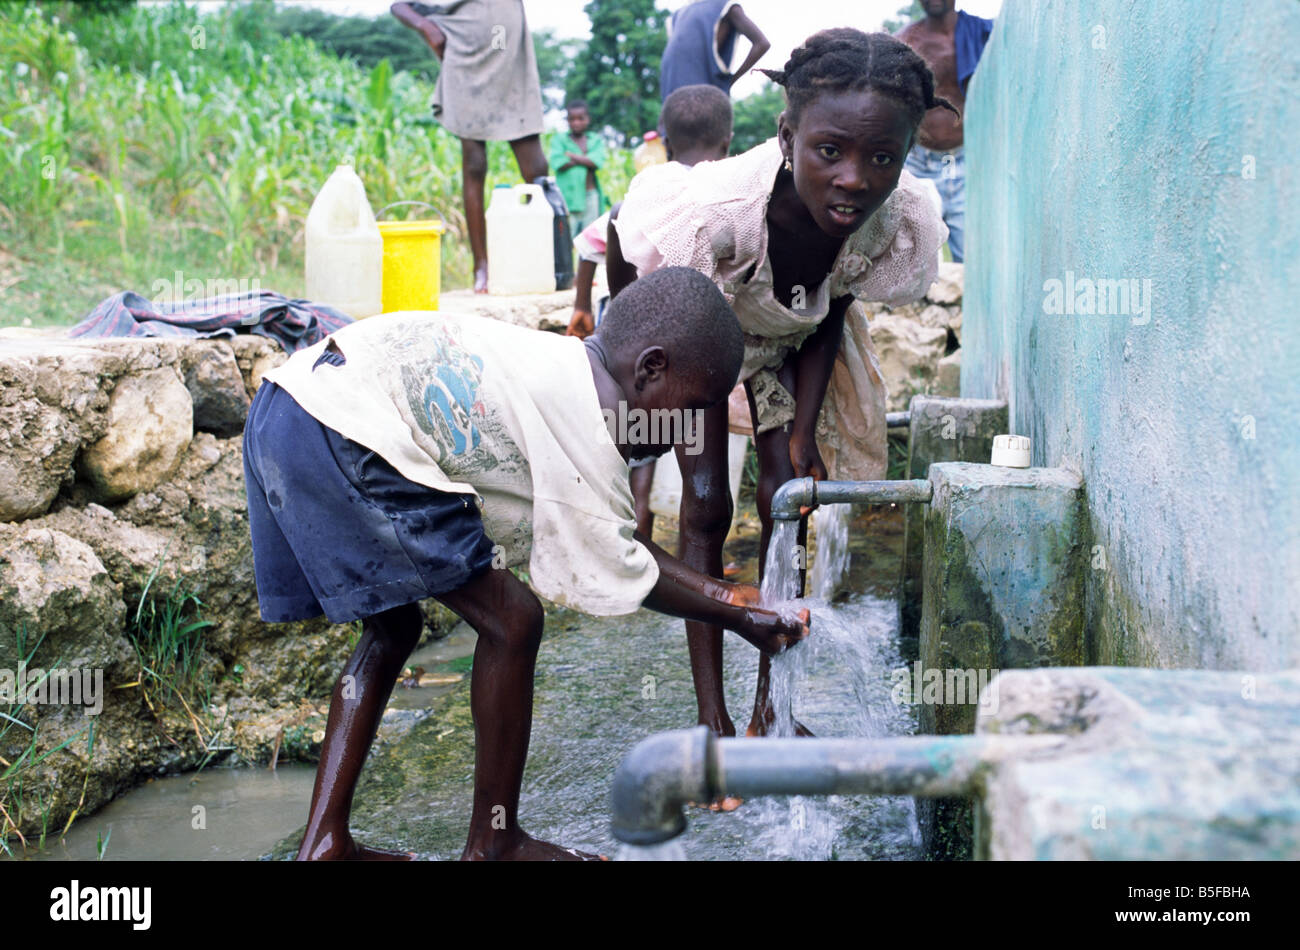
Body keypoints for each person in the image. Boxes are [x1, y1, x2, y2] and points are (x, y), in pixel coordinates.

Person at [242, 267, 810, 861]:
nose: (679, 437)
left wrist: (731, 601)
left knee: (395, 625)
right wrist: (735, 609)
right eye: (689, 409)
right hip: (343, 424)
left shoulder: (560, 365)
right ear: (650, 369)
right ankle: (495, 842)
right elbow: (621, 562)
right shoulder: (584, 420)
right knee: (512, 619)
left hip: (293, 406)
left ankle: (325, 842)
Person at [609, 29, 951, 740]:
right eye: (831, 152)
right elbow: (652, 287)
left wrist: (800, 433)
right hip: (701, 330)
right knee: (704, 504)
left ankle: (776, 708)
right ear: (788, 135)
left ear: (906, 155)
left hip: (792, 338)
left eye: (882, 157)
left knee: (786, 501)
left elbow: (832, 308)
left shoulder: (883, 218)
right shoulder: (721, 217)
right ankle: (712, 722)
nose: (855, 178)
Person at [566, 85, 735, 538]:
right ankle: (649, 542)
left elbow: (593, 241)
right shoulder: (726, 201)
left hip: (636, 356)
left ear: (664, 139)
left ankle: (632, 540)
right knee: (694, 475)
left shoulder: (650, 192)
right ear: (728, 142)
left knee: (634, 447)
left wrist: (589, 306)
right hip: (682, 359)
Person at [391, 0, 551, 292]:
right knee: (474, 162)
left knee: (536, 166)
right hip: (465, 57)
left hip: (504, 48)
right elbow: (399, 6)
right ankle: (482, 266)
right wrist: (426, 26)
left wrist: (499, 41)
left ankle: (547, 256)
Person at [895, 0, 994, 263]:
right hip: (918, 162)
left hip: (968, 160)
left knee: (975, 260)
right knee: (910, 259)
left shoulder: (983, 36)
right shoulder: (905, 42)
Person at [660, 0, 771, 102]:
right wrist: (729, 83)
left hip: (676, 104)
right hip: (696, 103)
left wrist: (730, 82)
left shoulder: (679, 16)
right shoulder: (678, 16)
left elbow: (762, 44)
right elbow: (762, 43)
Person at [550, 100, 606, 237]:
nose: (576, 123)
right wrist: (585, 159)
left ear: (588, 119)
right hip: (567, 197)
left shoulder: (594, 140)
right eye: (572, 119)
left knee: (591, 240)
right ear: (567, 121)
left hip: (591, 196)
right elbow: (558, 163)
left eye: (581, 119)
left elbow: (596, 162)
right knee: (566, 239)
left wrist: (571, 156)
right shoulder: (559, 140)